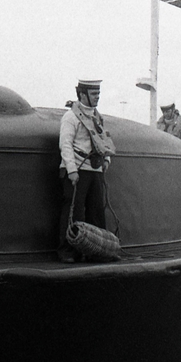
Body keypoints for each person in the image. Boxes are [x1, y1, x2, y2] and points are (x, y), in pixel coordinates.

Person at [58, 79, 114, 262]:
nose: (98, 97)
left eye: (98, 93)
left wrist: (106, 158)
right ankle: (68, 251)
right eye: (94, 94)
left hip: (94, 169)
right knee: (74, 212)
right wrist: (71, 170)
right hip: (77, 169)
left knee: (96, 212)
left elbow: (103, 139)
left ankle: (96, 252)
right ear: (82, 94)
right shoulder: (71, 117)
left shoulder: (97, 117)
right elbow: (65, 144)